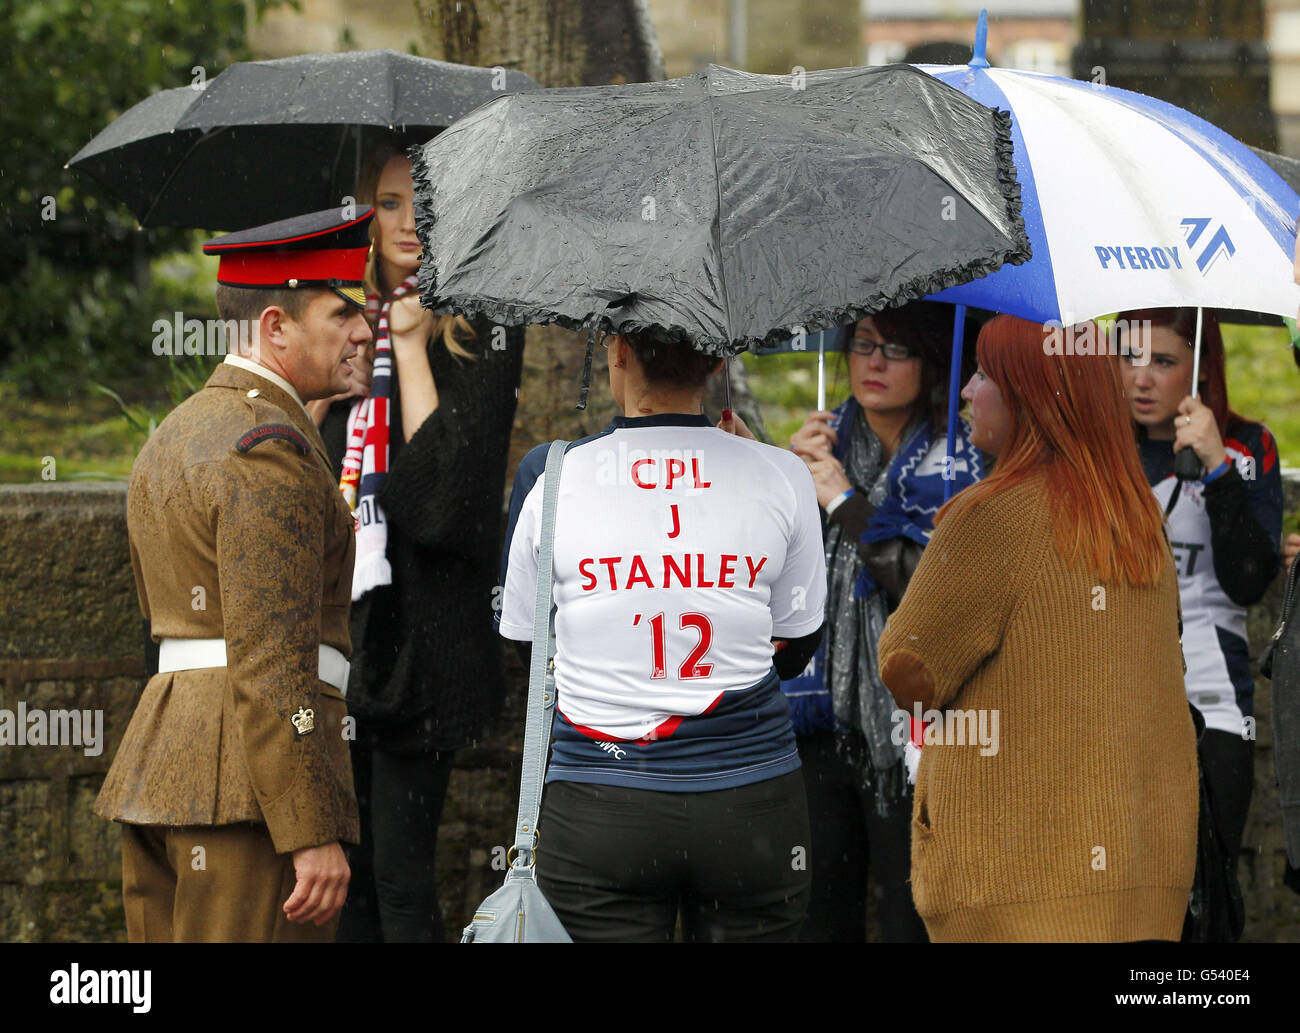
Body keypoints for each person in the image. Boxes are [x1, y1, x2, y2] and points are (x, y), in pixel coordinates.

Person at [93, 207, 374, 942]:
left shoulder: (179, 429)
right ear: (276, 327)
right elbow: (270, 654)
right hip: (251, 798)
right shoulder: (268, 448)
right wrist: (309, 825)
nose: (365, 330)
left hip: (172, 769)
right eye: (343, 312)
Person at [497, 329, 827, 942]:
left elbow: (528, 643)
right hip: (750, 799)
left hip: (598, 801)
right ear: (719, 359)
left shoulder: (551, 475)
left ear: (617, 349)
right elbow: (796, 645)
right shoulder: (783, 475)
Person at [878, 313, 1198, 942]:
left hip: (1014, 885)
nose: (966, 391)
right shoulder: (1136, 518)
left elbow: (910, 674)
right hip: (1142, 874)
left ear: (1029, 394)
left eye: (983, 373)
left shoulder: (992, 517)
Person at [309, 142, 524, 942]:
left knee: (401, 879)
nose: (409, 222)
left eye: (426, 203)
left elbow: (448, 504)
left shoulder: (483, 327)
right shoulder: (339, 319)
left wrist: (408, 342)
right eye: (391, 202)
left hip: (427, 642)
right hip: (350, 634)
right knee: (346, 882)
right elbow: (322, 471)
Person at [779, 301, 983, 942]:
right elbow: (772, 585)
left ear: (932, 363)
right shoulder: (816, 448)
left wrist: (842, 500)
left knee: (910, 919)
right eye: (864, 343)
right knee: (819, 917)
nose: (873, 361)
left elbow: (934, 584)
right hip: (820, 722)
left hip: (917, 733)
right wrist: (784, 485)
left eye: (897, 349)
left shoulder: (961, 464)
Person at [1115, 307, 1282, 916]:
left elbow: (1247, 583)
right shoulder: (1094, 447)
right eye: (1129, 357)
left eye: (1162, 362)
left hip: (1212, 696)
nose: (1141, 378)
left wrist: (1215, 467)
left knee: (1207, 898)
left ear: (1199, 368)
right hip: (1110, 697)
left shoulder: (1248, 444)